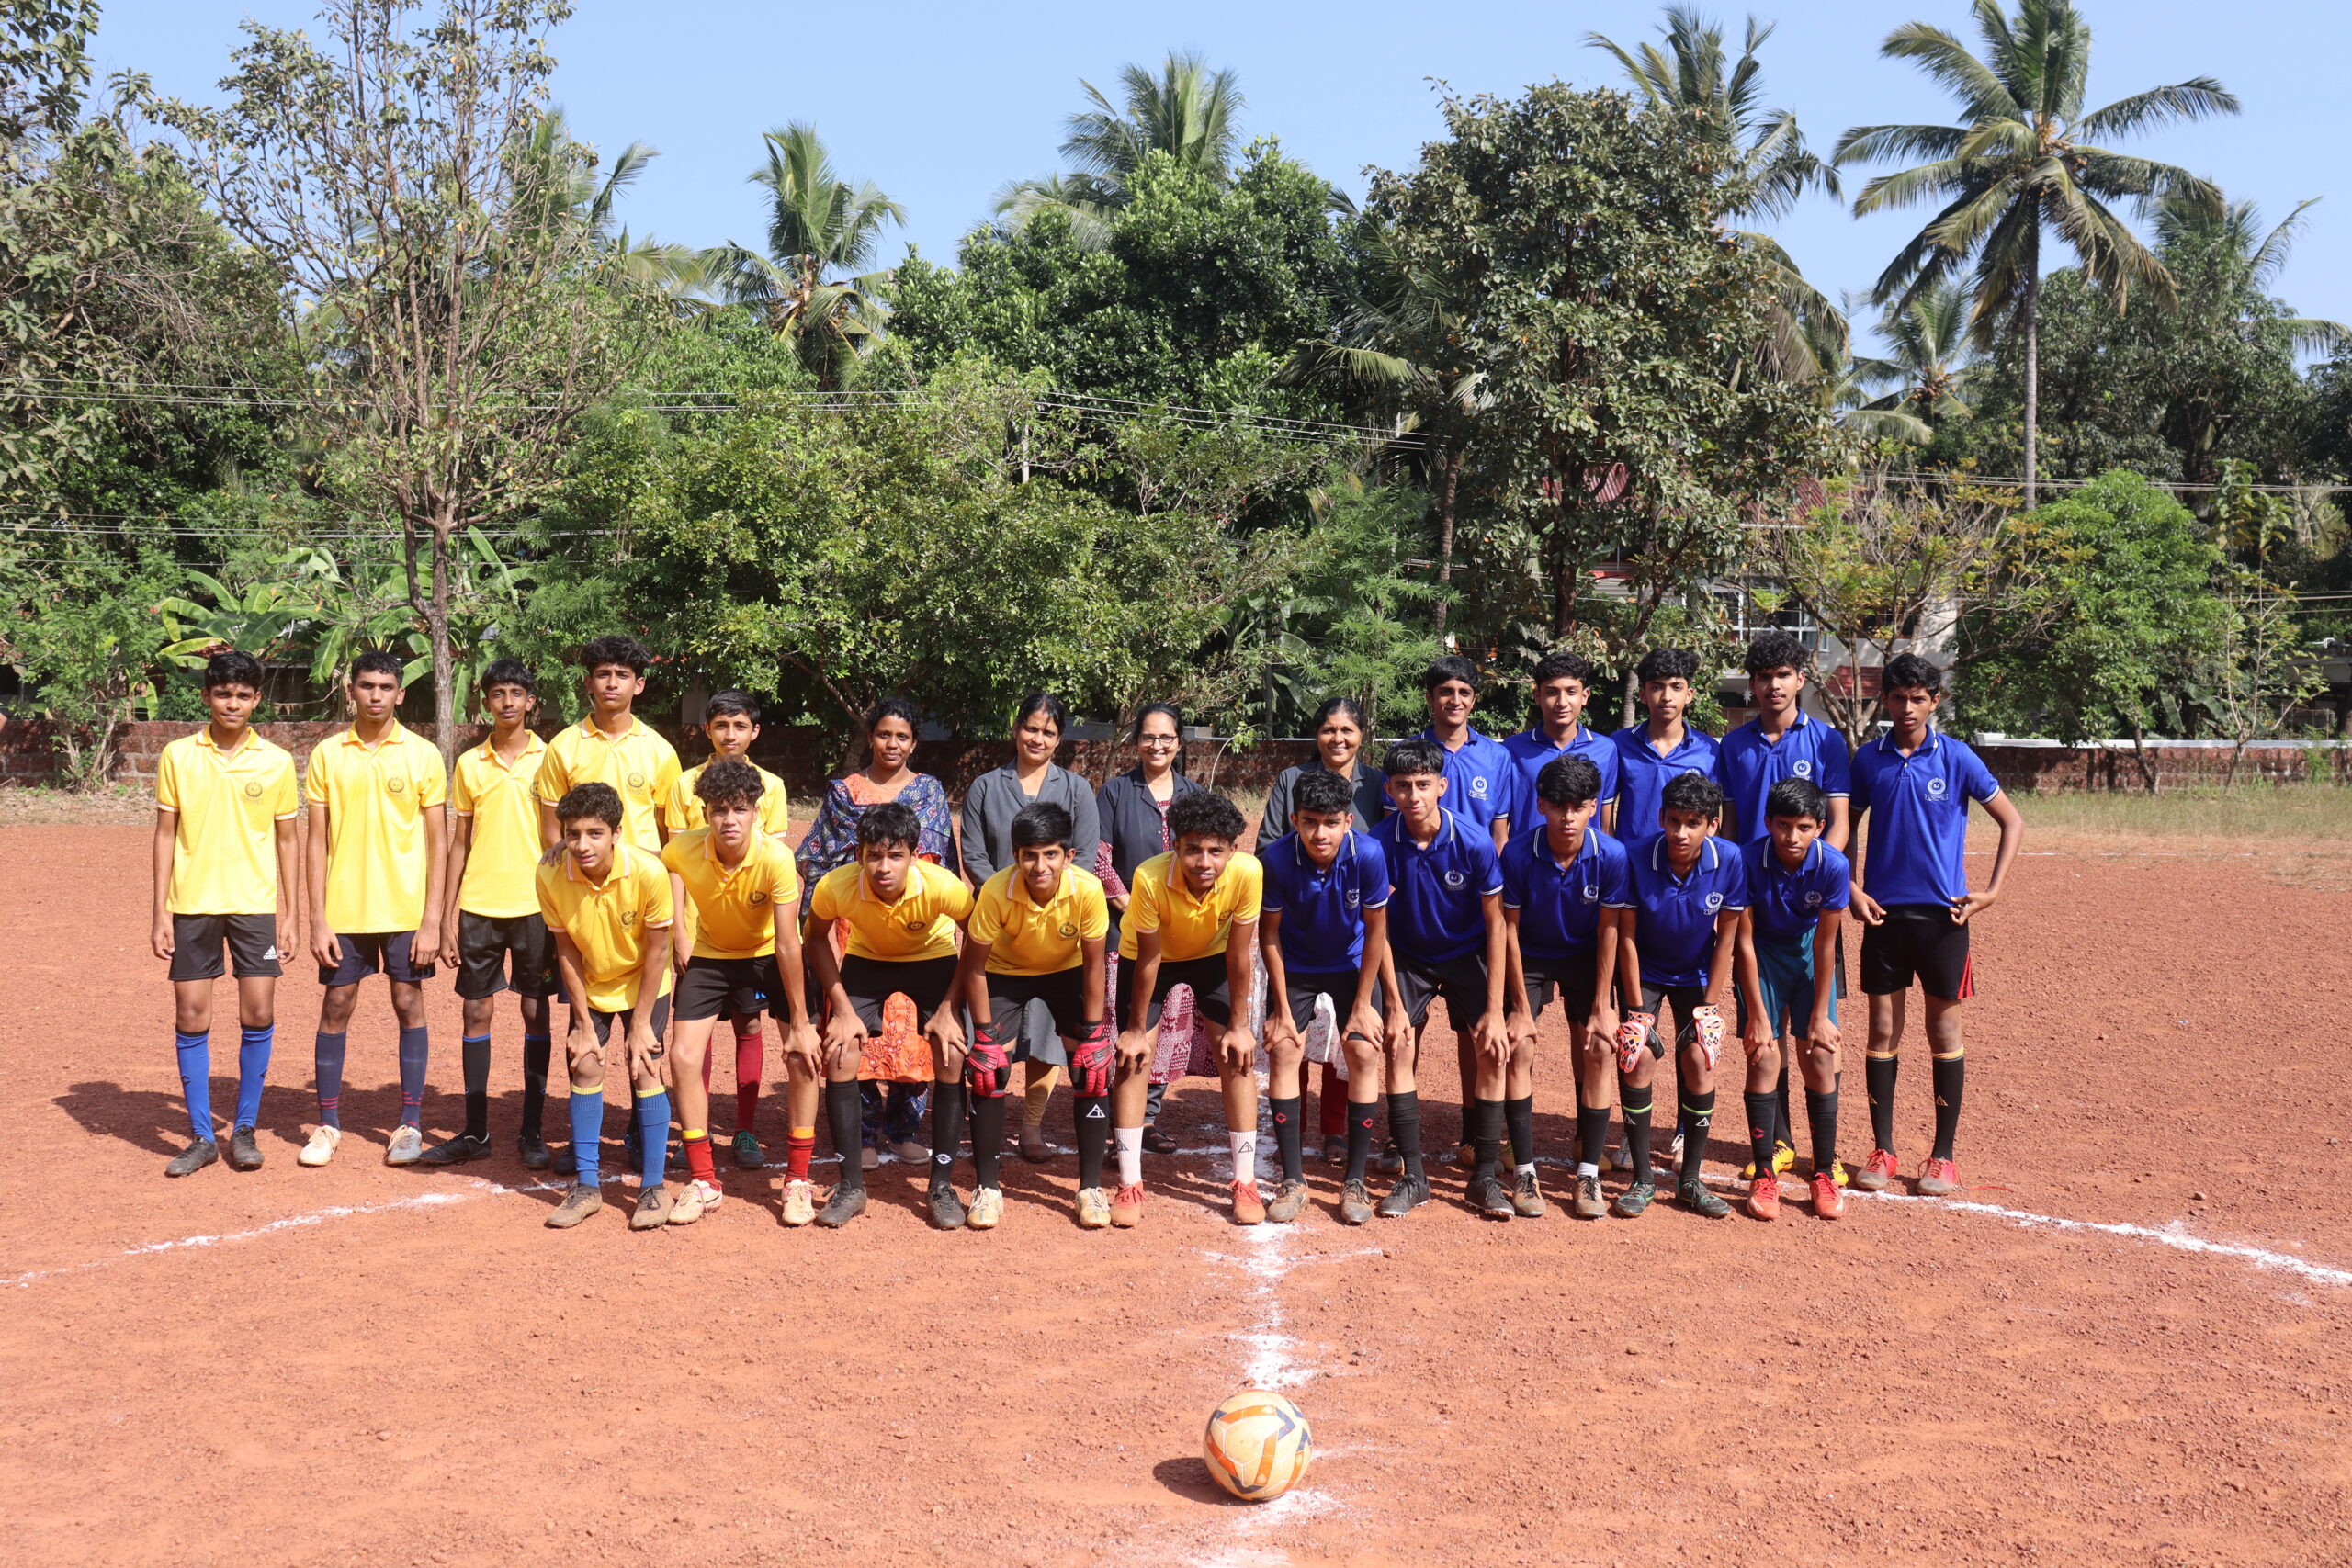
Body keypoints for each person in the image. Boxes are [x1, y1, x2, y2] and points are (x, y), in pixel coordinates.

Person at [1846, 652, 2024, 1199]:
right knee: (1882, 1031)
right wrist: (1851, 886)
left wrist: (1991, 892)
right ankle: (1883, 1148)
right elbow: (1844, 826)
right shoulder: (1867, 761)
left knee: (1942, 1031)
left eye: (1917, 699)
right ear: (1885, 700)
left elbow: (2011, 820)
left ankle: (1943, 1156)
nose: (1906, 708)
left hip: (1945, 917)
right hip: (1884, 915)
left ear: (1934, 701)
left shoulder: (1958, 757)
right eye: (1897, 698)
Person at [151, 650, 301, 1178]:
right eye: (222, 694)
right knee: (192, 1015)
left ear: (256, 699)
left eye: (242, 695)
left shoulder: (277, 762)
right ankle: (199, 1137)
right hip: (192, 904)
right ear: (206, 697)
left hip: (254, 906)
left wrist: (290, 915)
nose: (232, 703)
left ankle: (243, 1129)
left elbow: (287, 840)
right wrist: (161, 911)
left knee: (257, 1012)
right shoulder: (178, 756)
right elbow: (166, 833)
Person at [299, 651, 447, 1169]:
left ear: (401, 694)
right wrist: (317, 918)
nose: (377, 695)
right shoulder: (327, 755)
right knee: (336, 1007)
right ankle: (328, 1124)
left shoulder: (424, 754)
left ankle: (409, 1123)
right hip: (345, 910)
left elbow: (438, 842)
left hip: (406, 911)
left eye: (387, 686)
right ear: (351, 690)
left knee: (409, 1003)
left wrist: (433, 920)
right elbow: (315, 842)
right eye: (367, 685)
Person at [797, 697, 956, 1178]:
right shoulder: (844, 791)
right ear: (871, 737)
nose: (892, 744)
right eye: (884, 734)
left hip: (916, 921)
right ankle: (863, 1131)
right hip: (855, 921)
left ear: (913, 743)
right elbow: (821, 856)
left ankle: (904, 1129)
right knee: (855, 1030)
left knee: (911, 1030)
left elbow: (940, 857)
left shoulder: (929, 790)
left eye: (902, 736)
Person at [661, 760, 820, 1225]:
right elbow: (641, 865)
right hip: (712, 957)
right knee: (683, 1058)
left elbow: (790, 941)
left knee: (801, 1056)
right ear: (705, 813)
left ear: (756, 811)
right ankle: (705, 1181)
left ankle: (796, 1181)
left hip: (770, 955)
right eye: (719, 810)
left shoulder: (776, 858)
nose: (730, 820)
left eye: (740, 809)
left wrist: (803, 1023)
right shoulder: (681, 851)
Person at [1718, 629, 1852, 1179]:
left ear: (1801, 679)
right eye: (1764, 677)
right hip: (1752, 902)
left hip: (1808, 903)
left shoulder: (1826, 742)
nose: (1774, 686)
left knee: (1819, 1034)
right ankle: (1777, 1141)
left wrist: (1809, 873)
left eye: (1783, 676)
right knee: (1763, 1037)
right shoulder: (1733, 745)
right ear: (1753, 684)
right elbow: (1727, 828)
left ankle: (1826, 1151)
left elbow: (1837, 824)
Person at [804, 800, 974, 1229]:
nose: (883, 866)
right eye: (873, 855)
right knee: (840, 1053)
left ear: (914, 856)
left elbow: (978, 938)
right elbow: (816, 941)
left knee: (951, 1054)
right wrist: (841, 1008)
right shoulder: (835, 886)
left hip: (932, 958)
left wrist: (950, 1008)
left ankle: (941, 1186)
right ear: (859, 854)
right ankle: (851, 1187)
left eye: (895, 855)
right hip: (867, 959)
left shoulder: (943, 886)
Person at [942, 802, 1112, 1230]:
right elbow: (974, 966)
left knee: (1090, 1069)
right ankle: (988, 1187)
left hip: (1066, 971)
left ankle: (1090, 1187)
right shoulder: (996, 890)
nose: (1040, 866)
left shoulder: (1088, 890)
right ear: (1016, 856)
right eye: (1029, 855)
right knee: (987, 1070)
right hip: (1004, 972)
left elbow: (1095, 966)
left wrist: (1092, 1034)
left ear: (1068, 856)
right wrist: (983, 1036)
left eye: (1050, 854)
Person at [961, 692, 1102, 1163]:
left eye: (1048, 731)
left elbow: (1084, 851)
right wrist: (1009, 895)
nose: (1037, 738)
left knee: (1047, 1033)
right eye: (1030, 728)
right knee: (989, 1035)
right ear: (1016, 729)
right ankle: (988, 1129)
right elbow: (975, 854)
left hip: (1057, 931)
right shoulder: (984, 786)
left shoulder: (1077, 789)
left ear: (1059, 739)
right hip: (997, 924)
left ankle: (1033, 1126)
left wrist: (1045, 893)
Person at [1370, 738, 1507, 1218]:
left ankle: (1484, 1176)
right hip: (1406, 956)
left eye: (1423, 785)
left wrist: (1493, 1009)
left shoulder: (1473, 840)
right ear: (1389, 789)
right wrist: (1391, 999)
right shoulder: (1379, 843)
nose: (1414, 795)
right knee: (1398, 1043)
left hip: (1467, 953)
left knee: (1493, 1046)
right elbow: (1378, 925)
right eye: (1403, 786)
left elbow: (1496, 925)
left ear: (1442, 786)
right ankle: (1414, 1176)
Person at [426, 659, 555, 1168]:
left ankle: (532, 1131)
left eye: (516, 692)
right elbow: (460, 844)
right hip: (479, 907)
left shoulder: (553, 758)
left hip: (536, 907)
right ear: (485, 702)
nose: (507, 701)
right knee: (476, 1008)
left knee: (535, 1009)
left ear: (530, 702)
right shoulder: (469, 764)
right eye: (497, 693)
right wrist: (443, 918)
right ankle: (475, 1131)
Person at [1114, 791, 1263, 1226]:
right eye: (1192, 849)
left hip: (1214, 957)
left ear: (1233, 850)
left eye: (1216, 850)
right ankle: (1129, 1182)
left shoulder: (1248, 872)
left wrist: (1239, 1023)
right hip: (1148, 960)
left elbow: (1240, 955)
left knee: (1237, 1056)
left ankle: (1245, 1181)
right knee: (1133, 1058)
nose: (1204, 861)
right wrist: (1137, 1030)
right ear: (1174, 845)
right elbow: (1149, 959)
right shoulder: (1149, 877)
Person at [1257, 769, 1397, 1225]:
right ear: (1295, 819)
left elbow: (1376, 930)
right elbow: (1270, 937)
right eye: (1311, 821)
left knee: (1361, 1050)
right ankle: (1294, 1181)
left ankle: (1353, 1179)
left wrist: (1362, 1006)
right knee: (1283, 1050)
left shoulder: (1370, 854)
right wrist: (1280, 1007)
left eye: (1332, 822)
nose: (1321, 833)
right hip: (1295, 964)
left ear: (1348, 821)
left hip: (1352, 962)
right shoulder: (1275, 859)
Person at [1250, 695, 1385, 1167]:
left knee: (1355, 1040)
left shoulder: (1377, 786)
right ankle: (1292, 1138)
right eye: (1329, 729)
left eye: (1348, 730)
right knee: (1289, 1039)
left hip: (1355, 923)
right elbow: (1268, 842)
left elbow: (1382, 846)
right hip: (1298, 918)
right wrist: (1299, 865)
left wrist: (1349, 870)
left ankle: (1337, 1133)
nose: (1338, 738)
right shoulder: (1291, 781)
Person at [662, 690, 792, 1170]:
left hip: (751, 931)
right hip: (700, 929)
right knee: (695, 1035)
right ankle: (691, 1133)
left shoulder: (771, 786)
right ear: (707, 730)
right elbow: (676, 864)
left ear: (753, 731)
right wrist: (680, 931)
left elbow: (768, 864)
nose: (730, 735)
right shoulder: (685, 784)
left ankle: (745, 1130)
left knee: (749, 1024)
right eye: (721, 726)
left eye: (739, 726)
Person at [537, 782, 677, 1230]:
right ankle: (587, 1186)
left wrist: (640, 1026)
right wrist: (580, 1020)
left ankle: (654, 1188)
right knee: (584, 1065)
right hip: (592, 980)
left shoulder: (649, 873)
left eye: (594, 833)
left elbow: (658, 952)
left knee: (646, 1066)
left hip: (644, 981)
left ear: (616, 832)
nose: (582, 845)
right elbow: (566, 951)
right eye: (573, 833)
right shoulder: (549, 875)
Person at [1500, 754, 1630, 1221]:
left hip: (1582, 955)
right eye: (1558, 806)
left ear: (1593, 807)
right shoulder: (1517, 853)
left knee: (1599, 1045)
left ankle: (1589, 1171)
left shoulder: (1612, 856)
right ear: (1541, 805)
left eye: (1577, 807)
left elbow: (1609, 931)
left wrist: (1601, 1006)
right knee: (1517, 1045)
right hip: (1531, 953)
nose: (1567, 817)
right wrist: (1518, 1005)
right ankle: (1525, 1171)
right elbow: (1509, 930)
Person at [1615, 772, 1747, 1220]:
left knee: (1698, 1058)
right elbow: (1626, 939)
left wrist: (1710, 1006)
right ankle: (1642, 1180)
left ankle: (1690, 1180)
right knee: (1637, 1055)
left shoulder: (1729, 859)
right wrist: (1636, 1010)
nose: (1681, 832)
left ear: (1713, 824)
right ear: (1661, 818)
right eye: (1673, 821)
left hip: (1695, 972)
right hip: (1645, 972)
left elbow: (1726, 937)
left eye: (1693, 822)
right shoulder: (1635, 857)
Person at [1735, 777, 1851, 1221]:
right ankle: (1765, 1174)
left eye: (1803, 827)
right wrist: (1758, 1017)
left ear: (1819, 826)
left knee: (1820, 1054)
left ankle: (1823, 1171)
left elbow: (1826, 945)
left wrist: (1820, 1015)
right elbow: (1742, 941)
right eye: (1783, 826)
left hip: (1806, 954)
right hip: (1761, 954)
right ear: (1768, 823)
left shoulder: (1833, 865)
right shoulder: (1746, 860)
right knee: (1763, 1054)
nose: (1792, 837)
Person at [1094, 703, 1207, 1154]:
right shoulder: (1116, 792)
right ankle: (1112, 1125)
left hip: (1180, 935)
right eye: (1148, 736)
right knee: (1122, 1025)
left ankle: (1147, 1119)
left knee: (1165, 1028)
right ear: (1136, 741)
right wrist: (1132, 906)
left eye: (1166, 738)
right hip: (1124, 932)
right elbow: (1099, 856)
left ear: (1178, 743)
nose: (1156, 745)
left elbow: (1208, 859)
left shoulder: (1194, 794)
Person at [534, 635, 680, 855]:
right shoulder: (562, 746)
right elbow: (551, 830)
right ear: (589, 684)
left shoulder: (661, 751)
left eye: (622, 675)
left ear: (639, 685)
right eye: (603, 675)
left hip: (641, 880)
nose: (612, 683)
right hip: (582, 880)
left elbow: (667, 831)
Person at [1610, 647, 1722, 851]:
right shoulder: (1619, 744)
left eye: (1676, 687)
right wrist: (1612, 855)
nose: (1666, 696)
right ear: (1643, 694)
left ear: (1689, 695)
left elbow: (1714, 815)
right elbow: (1605, 808)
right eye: (1657, 687)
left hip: (1687, 864)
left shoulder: (1709, 750)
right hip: (1632, 861)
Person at [1502, 651, 1621, 838]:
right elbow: (1501, 826)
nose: (1562, 702)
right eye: (1552, 692)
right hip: (1527, 861)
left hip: (1586, 863)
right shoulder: (1511, 749)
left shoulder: (1606, 749)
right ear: (1538, 696)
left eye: (1571, 692)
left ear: (1585, 696)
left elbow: (1605, 825)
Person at [1416, 656, 1517, 850]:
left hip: (1476, 872)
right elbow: (1393, 828)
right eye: (1446, 692)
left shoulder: (1497, 756)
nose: (1455, 701)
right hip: (1420, 871)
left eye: (1464, 693)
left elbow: (1499, 835)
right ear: (1430, 697)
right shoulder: (1406, 754)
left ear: (1473, 700)